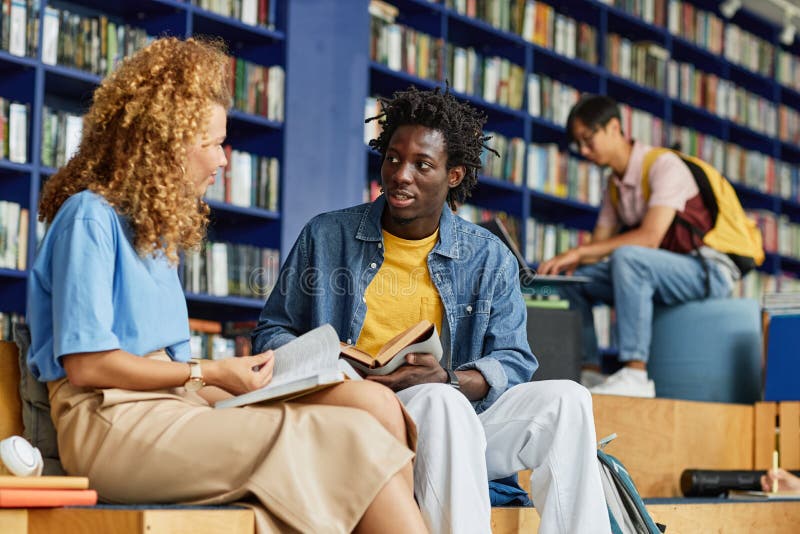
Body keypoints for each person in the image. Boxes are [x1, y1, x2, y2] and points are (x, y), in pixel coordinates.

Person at [26, 37, 427, 534]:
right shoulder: (88, 217)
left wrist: (262, 380)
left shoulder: (151, 233)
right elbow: (87, 366)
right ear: (166, 145)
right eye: (213, 144)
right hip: (112, 423)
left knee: (370, 405)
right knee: (341, 436)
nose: (222, 160)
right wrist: (211, 370)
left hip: (176, 406)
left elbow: (176, 375)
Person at [252, 86, 611, 534]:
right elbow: (272, 332)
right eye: (393, 159)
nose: (401, 175)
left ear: (453, 175)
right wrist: (330, 362)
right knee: (442, 404)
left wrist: (449, 378)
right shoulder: (326, 235)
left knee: (569, 401)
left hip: (458, 425)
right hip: (360, 418)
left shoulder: (488, 256)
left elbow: (514, 360)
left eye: (422, 165)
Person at [538, 94, 740, 398]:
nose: (584, 150)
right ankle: (589, 372)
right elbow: (597, 247)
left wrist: (578, 251)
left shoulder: (663, 165)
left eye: (588, 139)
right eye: (578, 144)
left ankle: (635, 373)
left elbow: (650, 237)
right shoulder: (614, 186)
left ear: (614, 127)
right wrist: (565, 263)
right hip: (661, 271)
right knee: (574, 280)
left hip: (707, 269)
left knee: (628, 258)